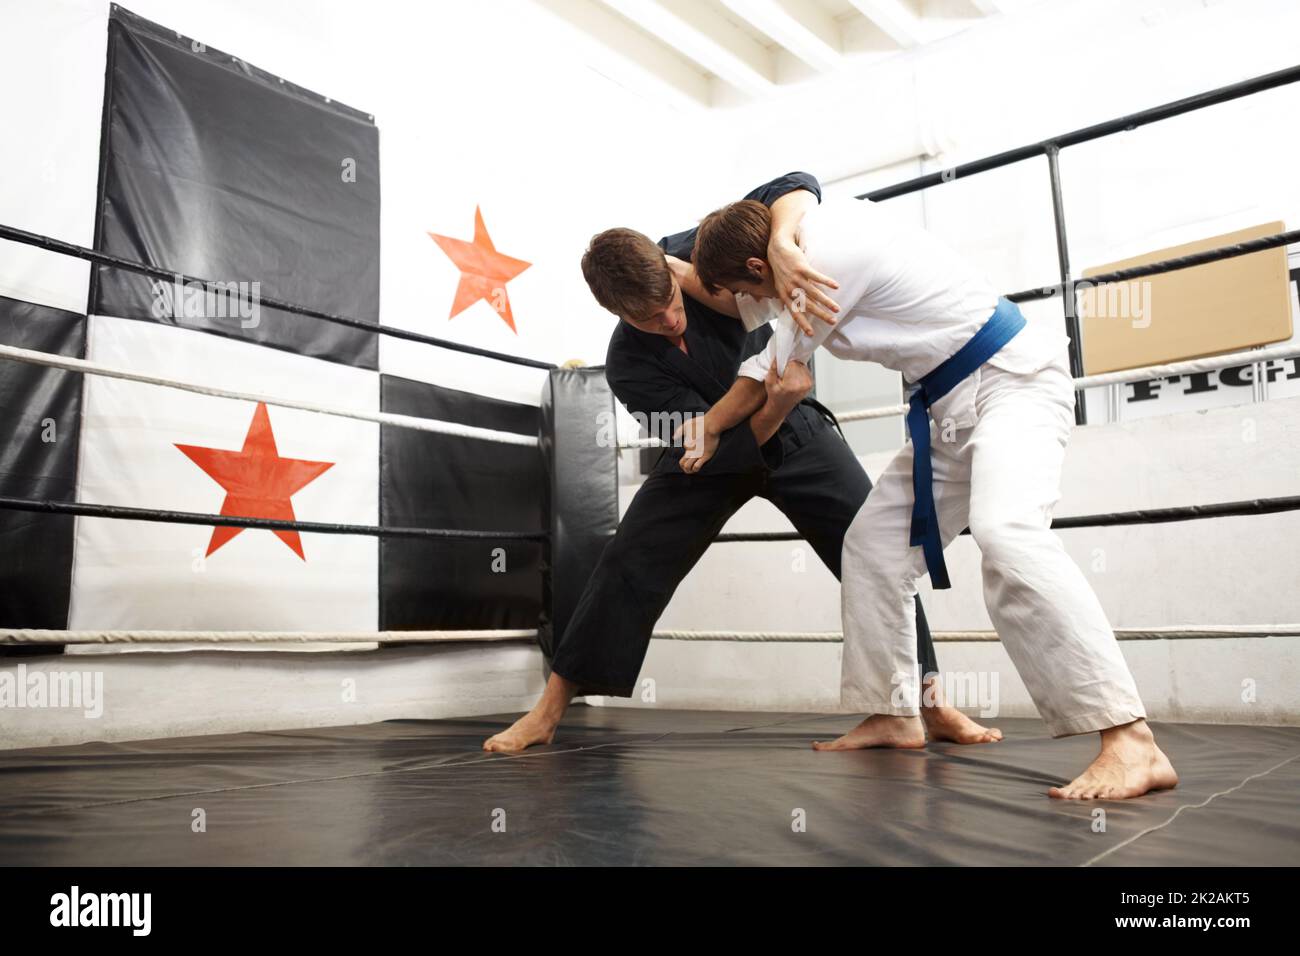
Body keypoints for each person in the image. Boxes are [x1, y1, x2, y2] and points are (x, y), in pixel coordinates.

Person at [483, 173, 1000, 753]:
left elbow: (794, 183)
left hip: (800, 434)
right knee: (628, 559)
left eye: (672, 304)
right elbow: (707, 443)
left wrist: (781, 242)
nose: (670, 321)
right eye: (651, 321)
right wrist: (773, 402)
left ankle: (930, 703)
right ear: (618, 314)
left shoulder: (697, 248)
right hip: (707, 458)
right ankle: (548, 710)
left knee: (876, 550)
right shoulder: (627, 366)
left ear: (670, 267)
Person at [686, 195, 1178, 799]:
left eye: (746, 289)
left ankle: (1132, 742)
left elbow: (766, 368)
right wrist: (668, 267)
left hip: (1010, 383)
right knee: (871, 546)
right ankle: (894, 712)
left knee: (1007, 532)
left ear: (759, 268)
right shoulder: (800, 237)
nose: (748, 305)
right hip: (947, 407)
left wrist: (706, 428)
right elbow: (746, 274)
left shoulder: (827, 257)